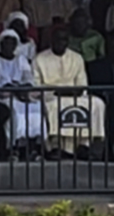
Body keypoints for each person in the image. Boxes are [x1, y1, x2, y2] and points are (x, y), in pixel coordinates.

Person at [34, 19, 105, 159]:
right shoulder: (39, 59)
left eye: (65, 40)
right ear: (52, 40)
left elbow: (82, 84)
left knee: (97, 103)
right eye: (59, 39)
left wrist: (76, 91)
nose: (62, 43)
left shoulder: (77, 58)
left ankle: (84, 145)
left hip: (75, 95)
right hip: (52, 95)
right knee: (54, 106)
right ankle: (57, 146)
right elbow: (37, 86)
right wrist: (58, 91)